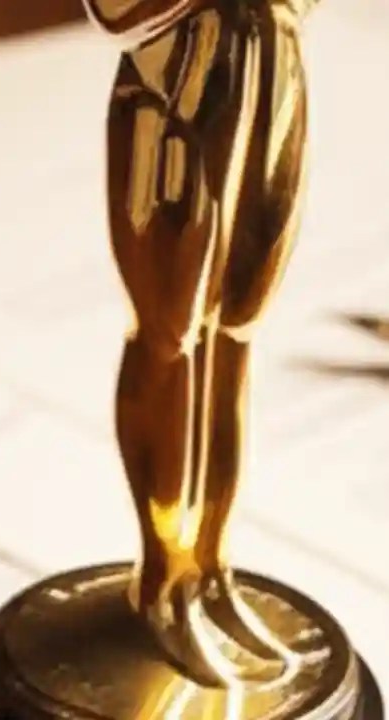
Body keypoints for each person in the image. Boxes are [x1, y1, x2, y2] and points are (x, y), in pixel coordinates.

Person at [84, 0, 316, 685]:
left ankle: (213, 571)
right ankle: (164, 577)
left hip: (272, 82)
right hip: (171, 100)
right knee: (169, 335)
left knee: (239, 329)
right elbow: (115, 10)